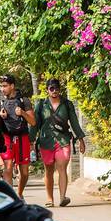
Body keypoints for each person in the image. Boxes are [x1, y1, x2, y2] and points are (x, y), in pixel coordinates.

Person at [32, 78, 86, 207]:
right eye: (51, 88)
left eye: (57, 88)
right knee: (49, 170)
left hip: (63, 140)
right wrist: (31, 140)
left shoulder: (67, 104)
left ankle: (62, 197)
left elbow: (74, 122)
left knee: (62, 167)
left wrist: (81, 140)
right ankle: (50, 199)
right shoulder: (41, 105)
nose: (54, 91)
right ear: (47, 90)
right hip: (46, 141)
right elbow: (35, 124)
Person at [0, 74, 36, 197]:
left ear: (12, 86)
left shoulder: (24, 100)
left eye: (5, 86)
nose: (2, 89)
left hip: (22, 137)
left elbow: (33, 122)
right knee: (8, 166)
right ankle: (11, 197)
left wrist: (22, 113)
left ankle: (19, 193)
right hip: (6, 137)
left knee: (25, 173)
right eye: (1, 86)